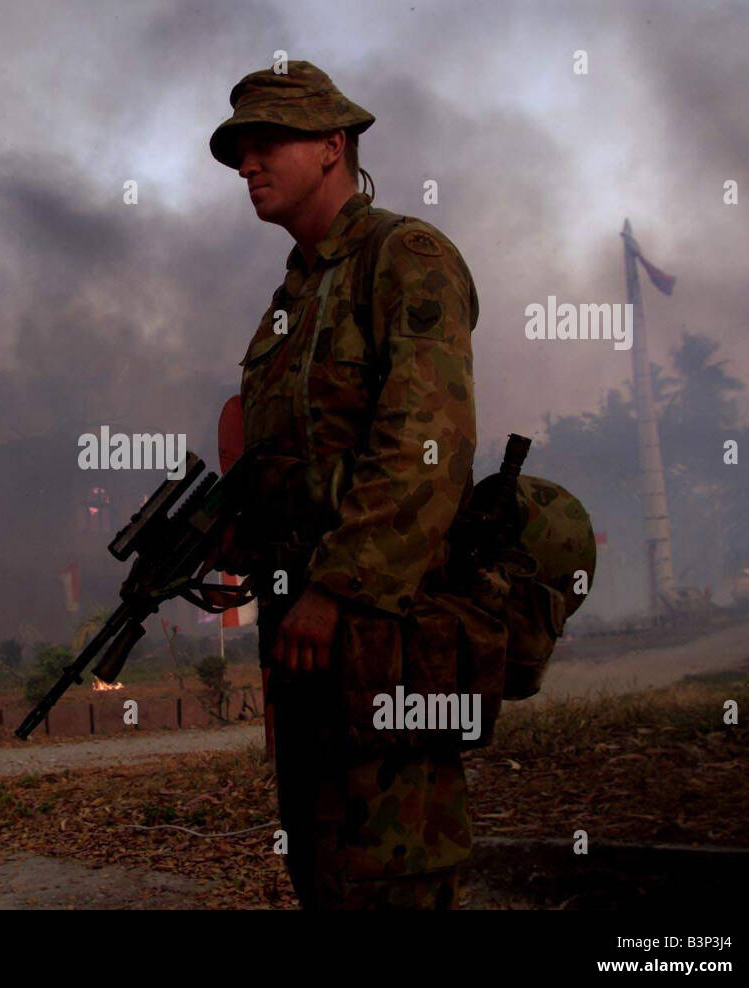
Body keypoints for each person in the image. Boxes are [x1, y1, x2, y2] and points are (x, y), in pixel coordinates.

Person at [211, 60, 487, 909]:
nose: (249, 166)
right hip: (304, 635)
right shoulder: (292, 296)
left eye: (268, 144)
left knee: (391, 871)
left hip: (379, 627)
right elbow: (283, 464)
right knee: (322, 873)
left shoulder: (404, 257)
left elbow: (426, 445)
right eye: (240, 152)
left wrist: (339, 585)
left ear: (334, 146)